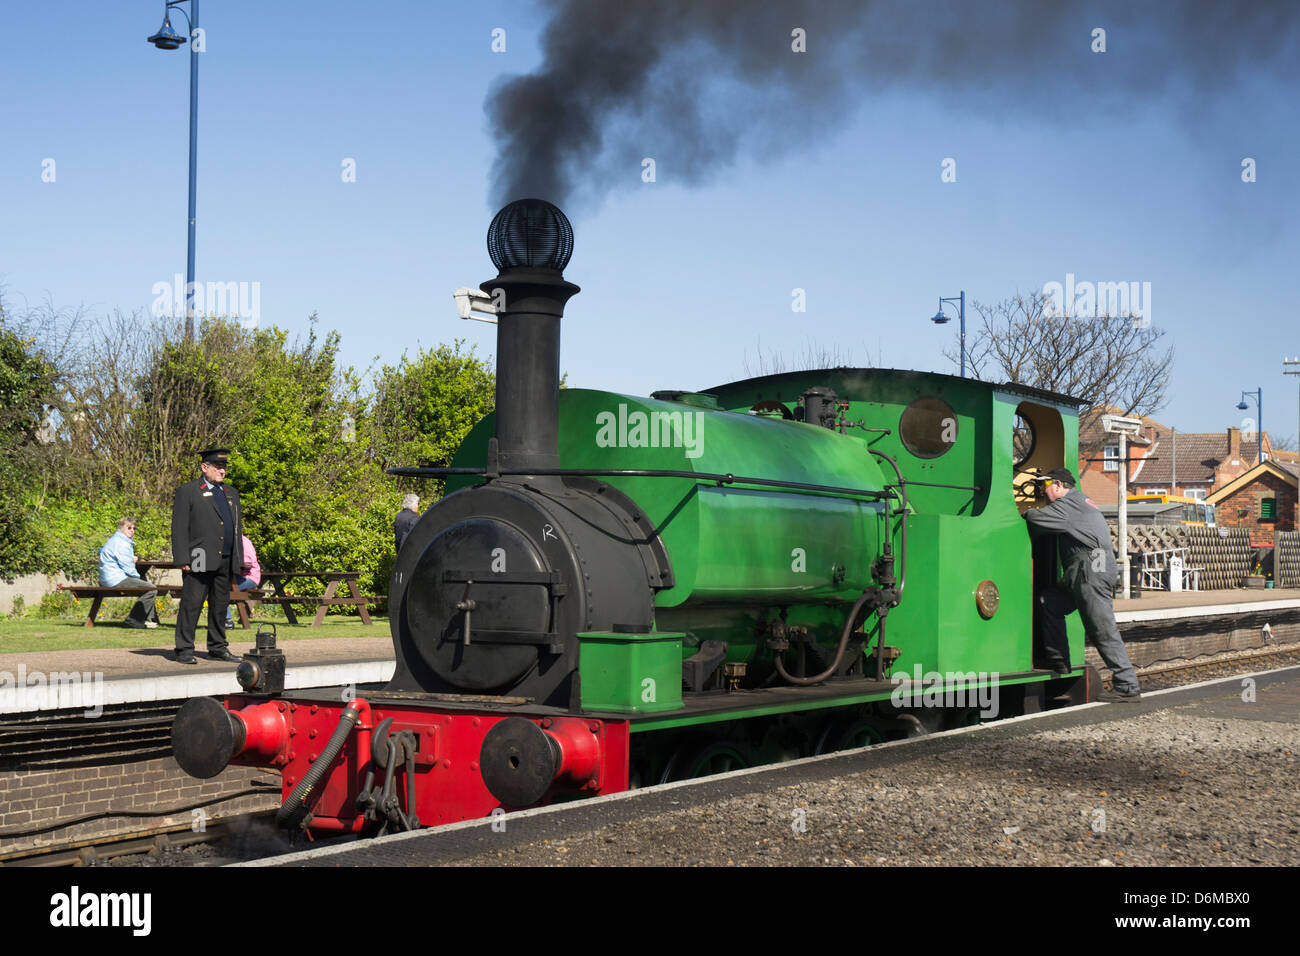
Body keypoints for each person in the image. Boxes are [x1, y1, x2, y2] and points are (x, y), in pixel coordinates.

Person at [1024, 467, 1142, 701]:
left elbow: (1036, 518)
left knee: (1102, 628)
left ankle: (1128, 686)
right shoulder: (1081, 501)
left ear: (1058, 485)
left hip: (1091, 571)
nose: (1044, 492)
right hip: (1083, 571)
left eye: (1046, 487)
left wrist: (1025, 510)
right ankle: (1060, 661)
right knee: (1050, 602)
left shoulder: (1069, 505)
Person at [171, 447, 243, 665]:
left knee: (220, 605)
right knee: (192, 603)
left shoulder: (231, 493)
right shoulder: (190, 491)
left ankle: (217, 647)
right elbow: (179, 527)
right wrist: (183, 558)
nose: (222, 471)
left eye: (224, 467)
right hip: (200, 554)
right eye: (218, 467)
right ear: (205, 467)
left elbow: (236, 527)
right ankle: (184, 648)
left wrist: (238, 558)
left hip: (226, 556)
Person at [97, 517, 159, 629]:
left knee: (147, 587)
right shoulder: (121, 543)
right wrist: (137, 578)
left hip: (108, 578)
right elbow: (127, 566)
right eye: (129, 528)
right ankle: (133, 620)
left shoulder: (116, 540)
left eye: (134, 528)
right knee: (151, 589)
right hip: (115, 579)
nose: (132, 530)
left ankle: (144, 619)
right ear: (121, 528)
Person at [226, 533, 261, 629]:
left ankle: (227, 620)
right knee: (219, 586)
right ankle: (225, 619)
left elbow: (247, 563)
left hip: (249, 577)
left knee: (221, 589)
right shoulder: (231, 541)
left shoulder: (243, 541)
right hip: (238, 577)